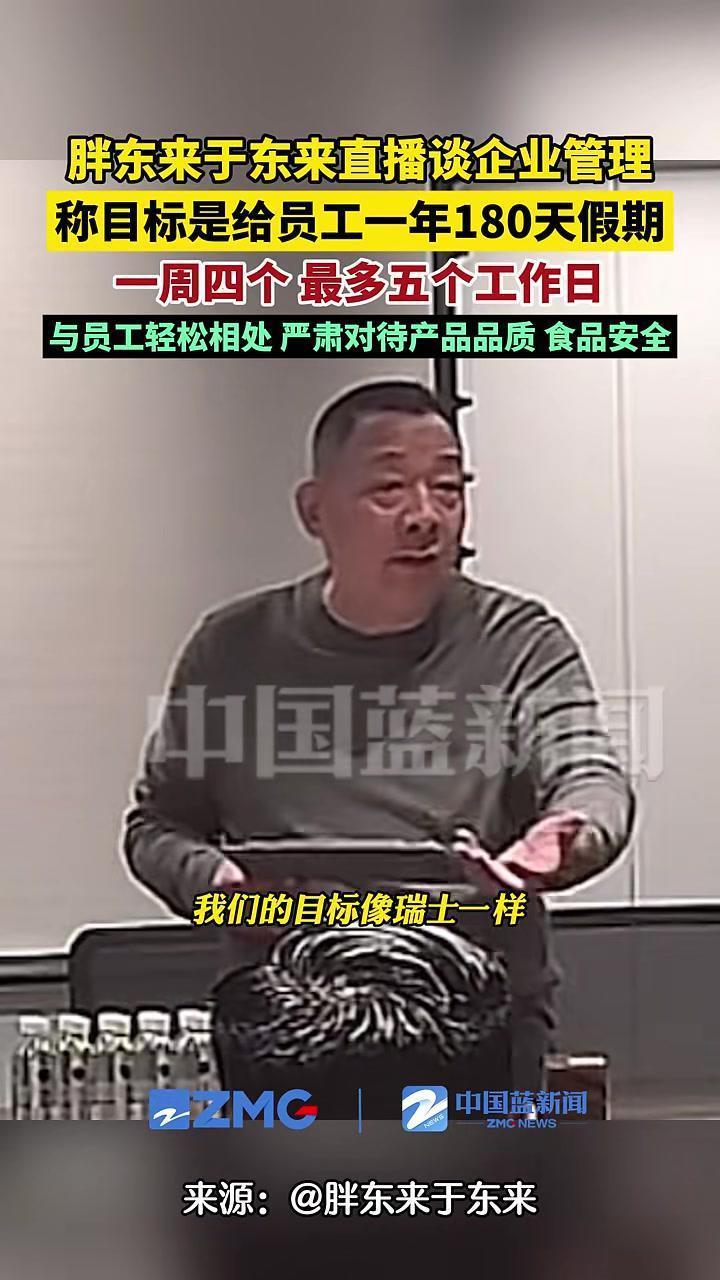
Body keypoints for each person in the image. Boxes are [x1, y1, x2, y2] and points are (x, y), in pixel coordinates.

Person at [120, 378, 635, 1092]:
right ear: (314, 510)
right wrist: (219, 885)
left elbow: (588, 775)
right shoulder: (232, 651)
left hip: (477, 1018)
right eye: (389, 489)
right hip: (289, 1019)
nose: (425, 517)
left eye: (448, 489)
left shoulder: (520, 641)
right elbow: (156, 827)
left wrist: (567, 839)